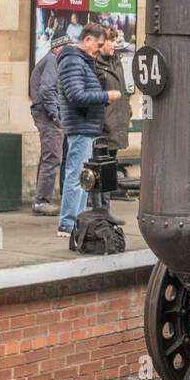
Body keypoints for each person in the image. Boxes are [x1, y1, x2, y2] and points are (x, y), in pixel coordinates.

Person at [57, 22, 121, 239]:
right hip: (81, 127)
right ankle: (67, 223)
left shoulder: (82, 61)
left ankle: (76, 221)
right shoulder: (73, 62)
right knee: (76, 177)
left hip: (87, 128)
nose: (99, 48)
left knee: (84, 177)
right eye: (99, 44)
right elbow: (77, 96)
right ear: (87, 40)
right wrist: (106, 97)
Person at [30, 35, 70, 215]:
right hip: (47, 114)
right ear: (57, 47)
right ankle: (41, 202)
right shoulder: (53, 60)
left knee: (48, 156)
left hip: (43, 112)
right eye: (67, 47)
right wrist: (55, 113)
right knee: (53, 157)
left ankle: (41, 199)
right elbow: (47, 88)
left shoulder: (50, 59)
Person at [94, 27, 133, 157]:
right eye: (111, 40)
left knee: (110, 166)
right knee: (99, 169)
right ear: (101, 42)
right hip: (103, 128)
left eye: (116, 40)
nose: (115, 44)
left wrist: (127, 110)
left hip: (117, 124)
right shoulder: (94, 63)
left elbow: (124, 90)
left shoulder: (117, 61)